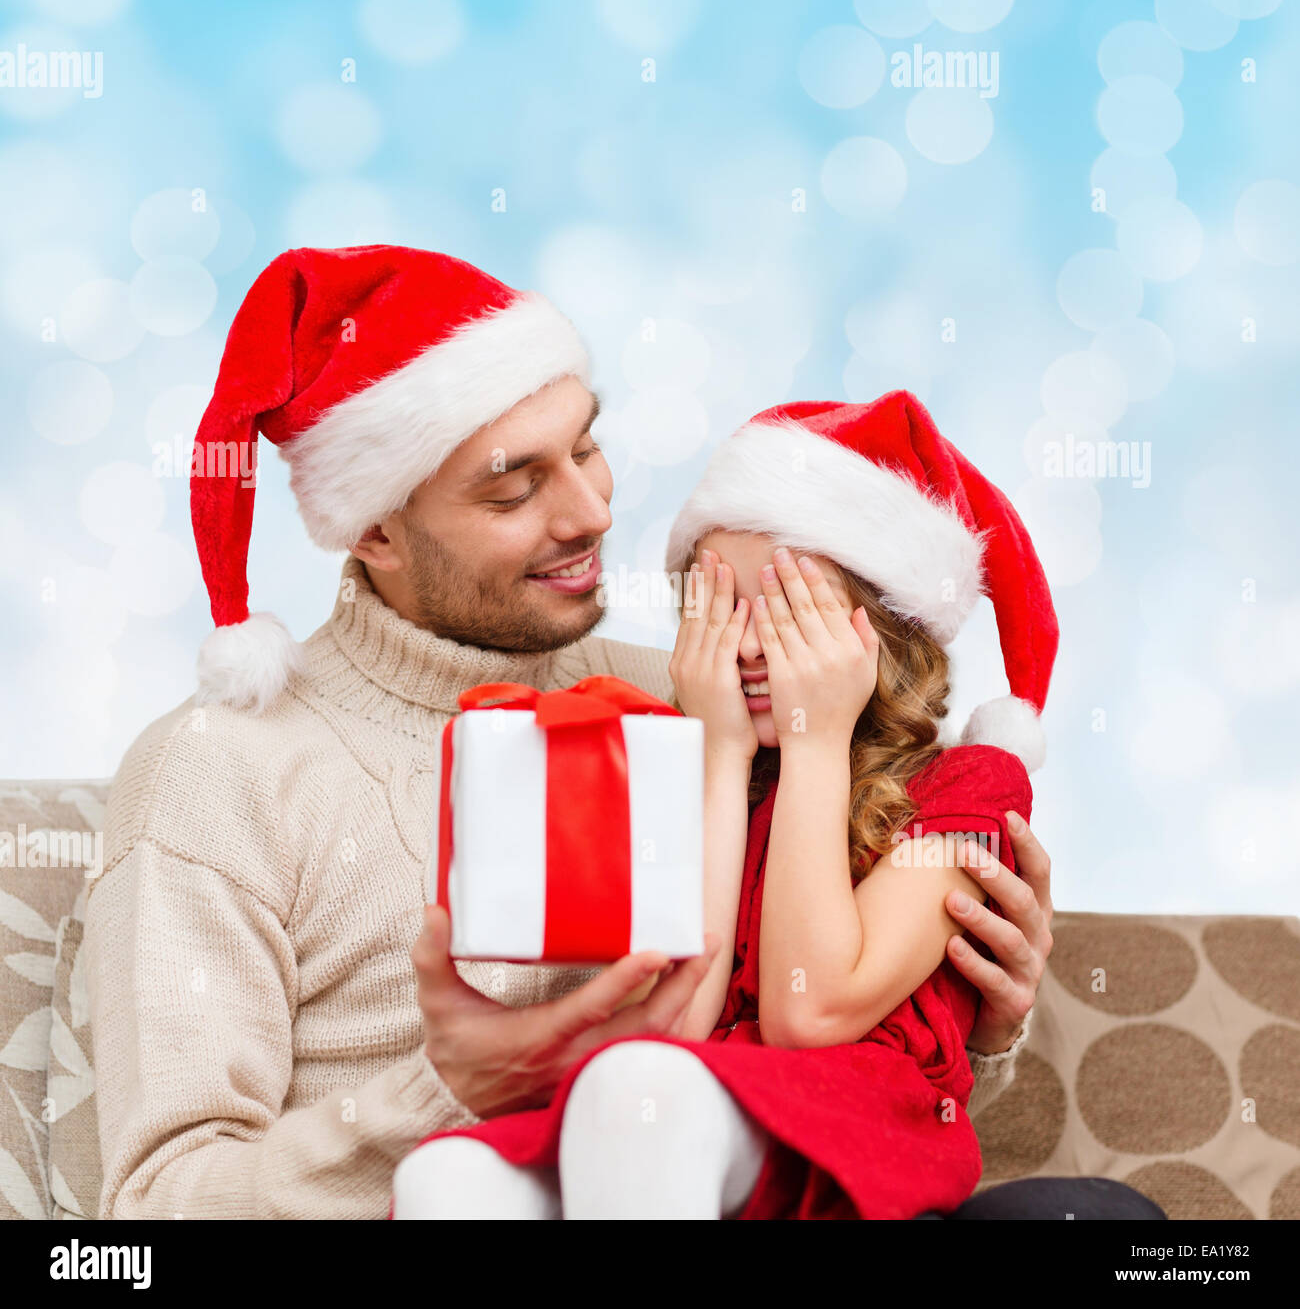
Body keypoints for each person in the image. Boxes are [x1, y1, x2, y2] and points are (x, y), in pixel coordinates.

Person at [82, 245, 1109, 1220]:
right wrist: (443, 1090)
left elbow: (819, 1036)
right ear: (375, 530)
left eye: (587, 448)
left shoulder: (704, 700)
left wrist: (978, 1012)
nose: (588, 515)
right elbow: (157, 1211)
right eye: (514, 485)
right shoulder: (217, 772)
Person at [392, 393, 1165, 1219]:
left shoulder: (969, 786)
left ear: (882, 630)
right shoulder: (677, 770)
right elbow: (677, 1025)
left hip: (842, 1141)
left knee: (634, 1085)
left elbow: (812, 1009)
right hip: (690, 1126)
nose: (752, 646)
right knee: (445, 1177)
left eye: (790, 614)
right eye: (721, 611)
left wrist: (816, 740)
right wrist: (721, 752)